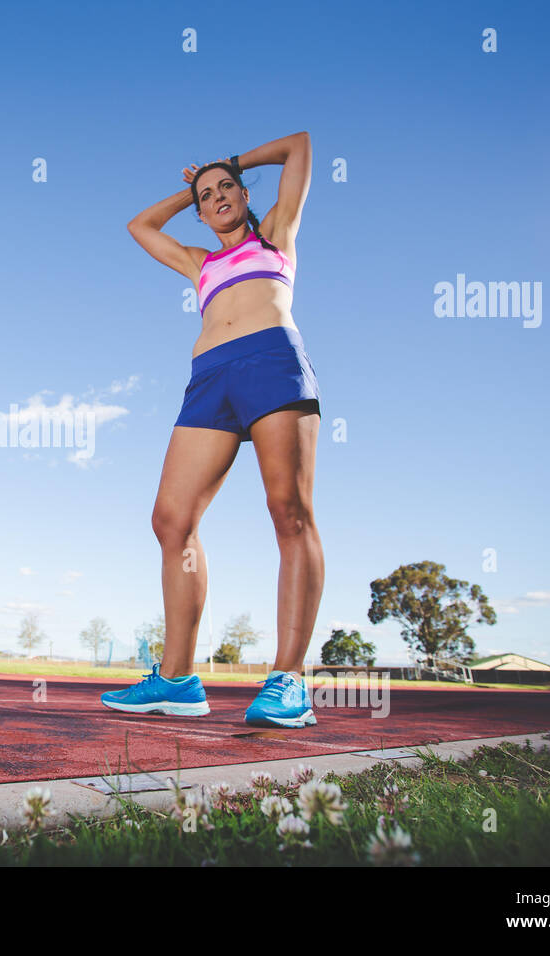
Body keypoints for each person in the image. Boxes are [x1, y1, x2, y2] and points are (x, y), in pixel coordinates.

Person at [100, 132, 323, 728]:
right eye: (208, 195)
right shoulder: (199, 262)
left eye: (228, 189)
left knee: (290, 512)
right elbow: (140, 226)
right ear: (199, 211)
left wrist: (231, 163)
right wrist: (190, 190)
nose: (219, 195)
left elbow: (299, 147)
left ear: (245, 196)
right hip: (210, 378)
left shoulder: (276, 233)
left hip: (271, 362)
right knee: (171, 520)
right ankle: (176, 680)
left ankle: (289, 681)